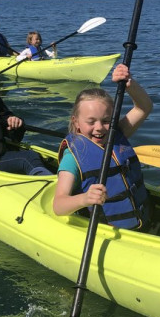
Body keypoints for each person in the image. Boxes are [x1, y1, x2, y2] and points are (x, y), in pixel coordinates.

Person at [53, 64, 153, 230]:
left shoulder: (116, 134)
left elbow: (145, 107)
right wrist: (84, 199)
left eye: (106, 121)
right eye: (91, 122)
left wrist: (129, 84)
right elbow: (58, 205)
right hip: (110, 232)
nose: (99, 127)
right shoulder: (73, 158)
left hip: (145, 222)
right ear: (76, 122)